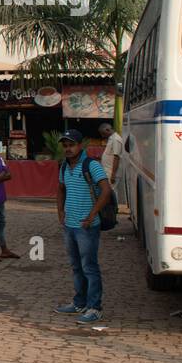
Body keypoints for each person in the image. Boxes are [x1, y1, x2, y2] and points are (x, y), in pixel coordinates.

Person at [55, 128, 113, 325]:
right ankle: (79, 303)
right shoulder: (64, 167)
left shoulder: (92, 165)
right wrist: (60, 212)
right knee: (76, 266)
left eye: (71, 145)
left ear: (80, 146)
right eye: (65, 145)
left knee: (89, 267)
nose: (68, 149)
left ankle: (95, 308)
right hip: (70, 225)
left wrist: (92, 214)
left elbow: (106, 190)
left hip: (87, 226)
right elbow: (60, 190)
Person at [98, 122, 125, 210]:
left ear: (107, 130)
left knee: (111, 192)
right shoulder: (111, 138)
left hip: (112, 172)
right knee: (109, 191)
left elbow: (116, 157)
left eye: (103, 133)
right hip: (108, 171)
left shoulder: (116, 139)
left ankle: (113, 211)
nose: (102, 136)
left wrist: (113, 174)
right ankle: (111, 211)